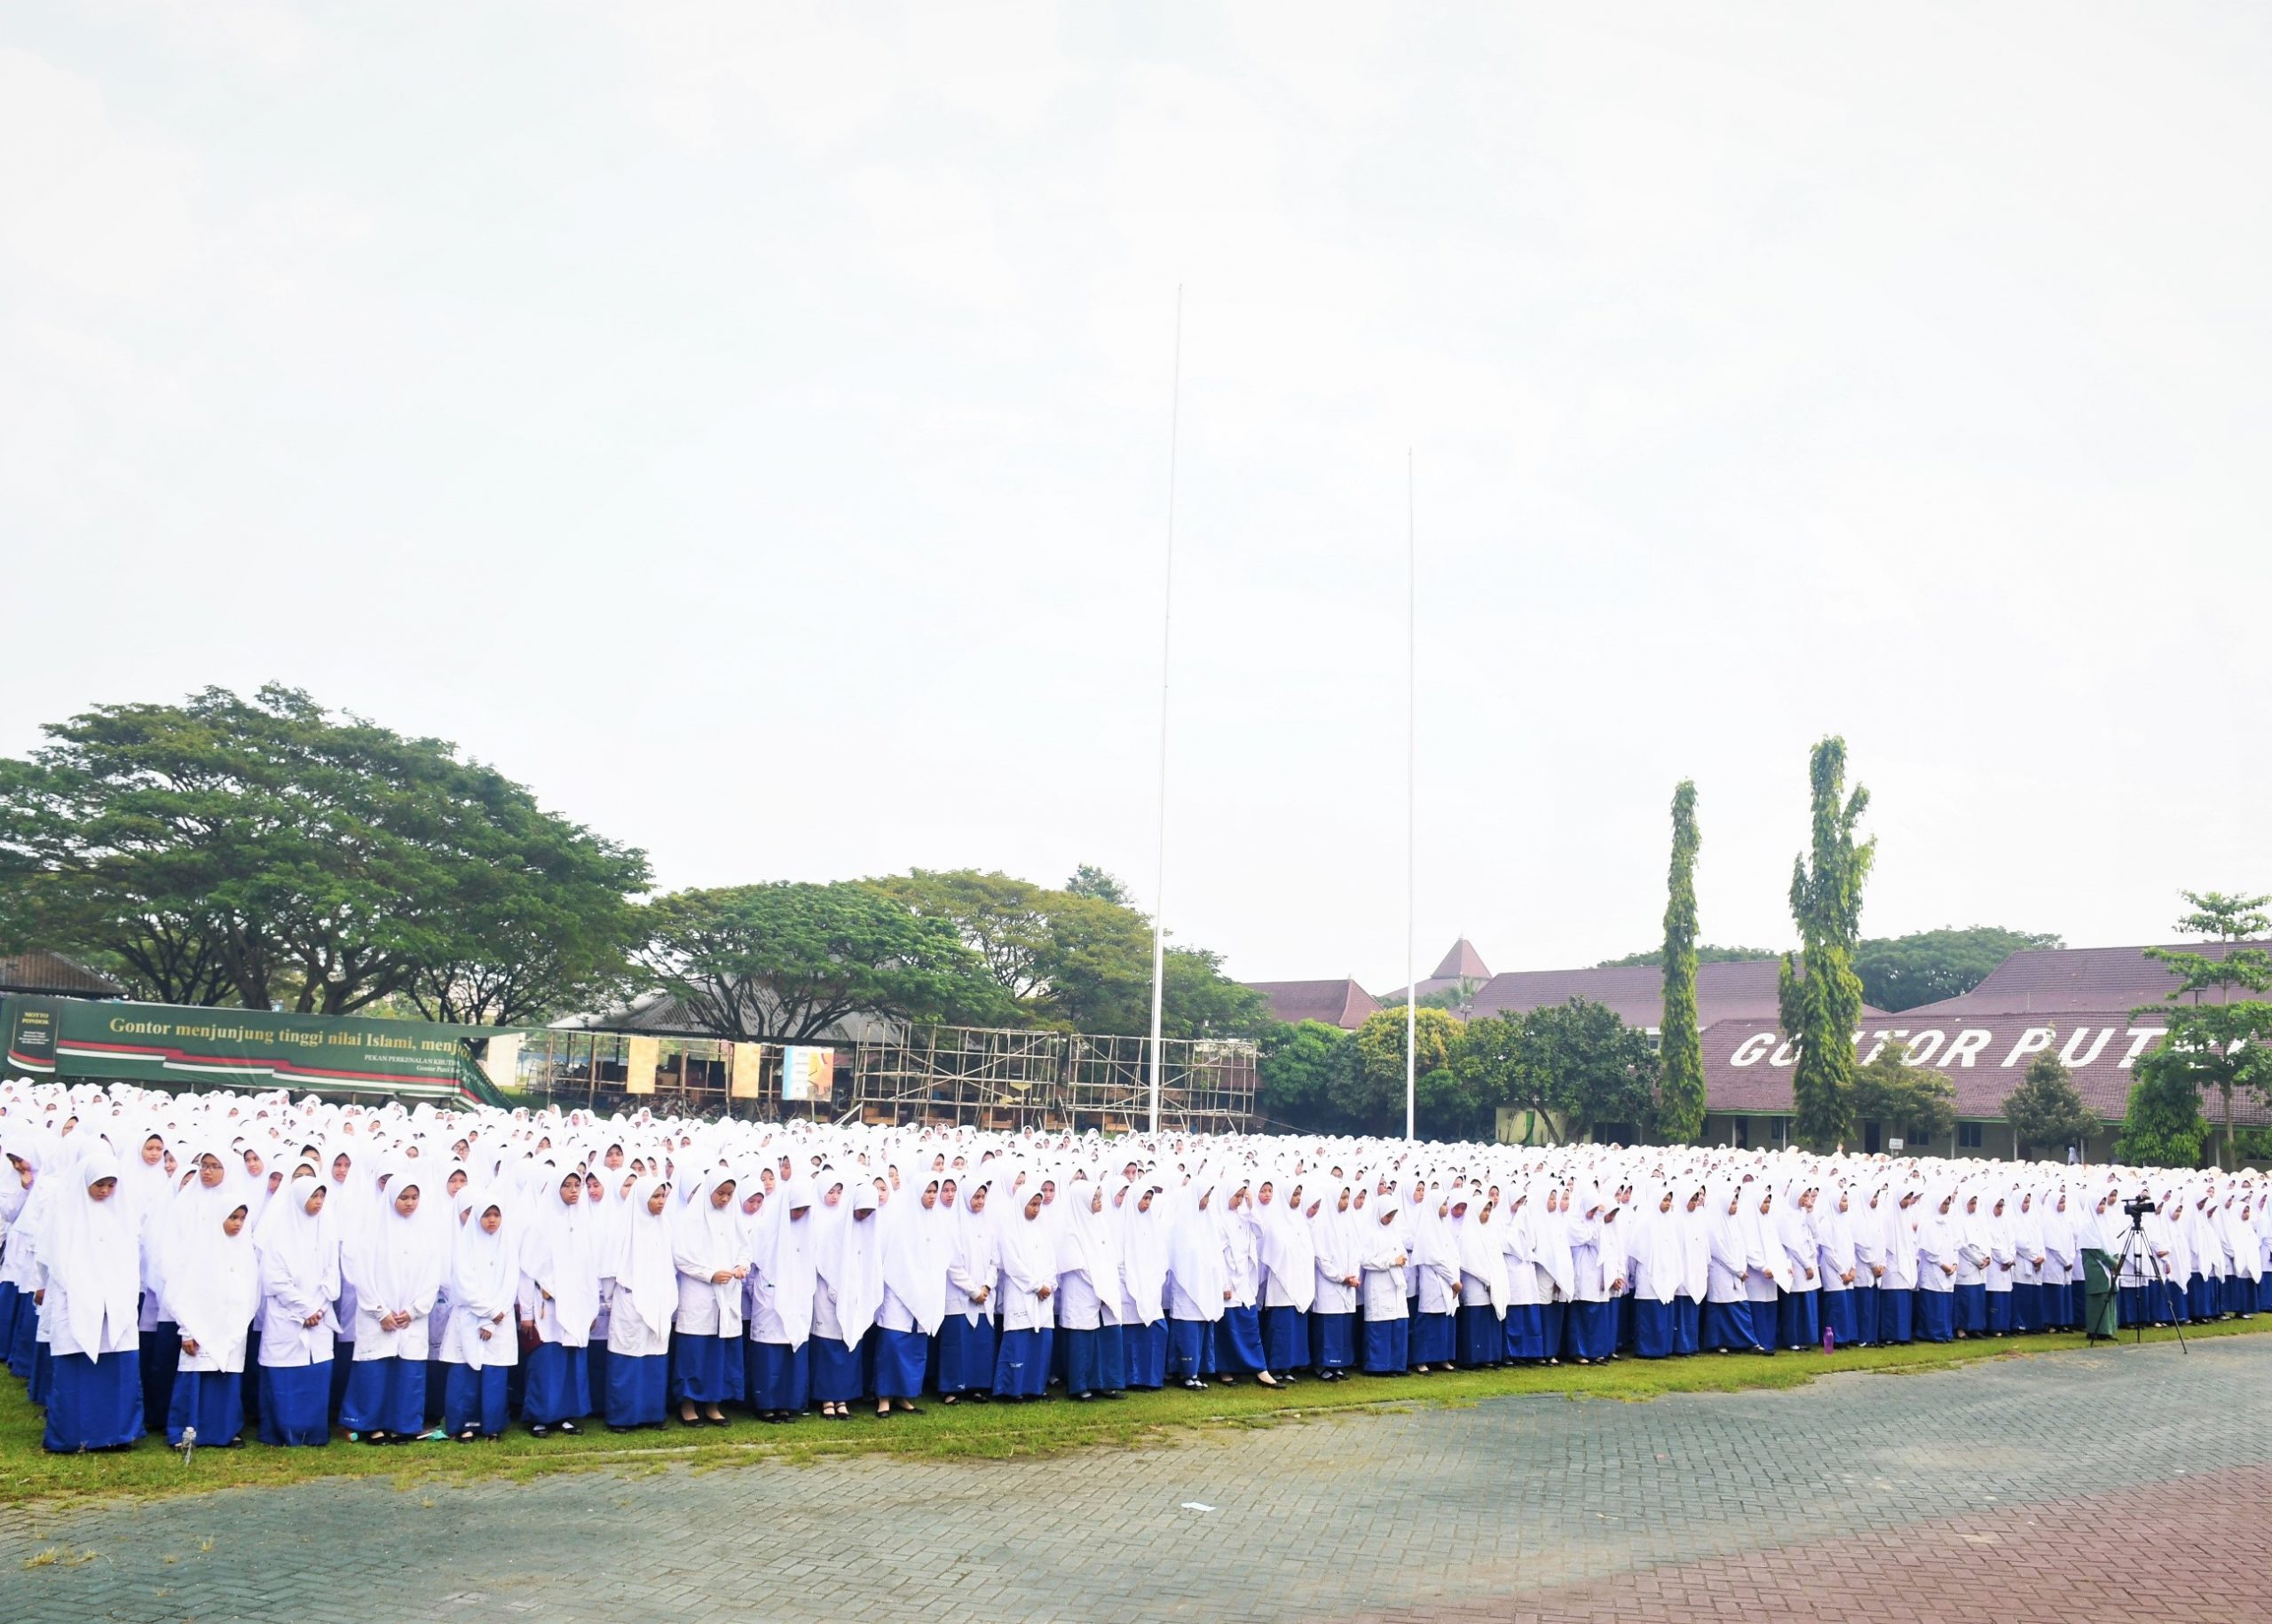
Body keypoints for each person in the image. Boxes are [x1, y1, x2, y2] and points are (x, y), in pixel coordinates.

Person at [37, 1147, 145, 1453]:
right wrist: (82, 1286)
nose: (106, 1191)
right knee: (77, 1371)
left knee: (117, 1369)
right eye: (100, 1185)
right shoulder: (65, 1211)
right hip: (75, 1299)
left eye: (111, 1185)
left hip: (116, 1303)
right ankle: (73, 1435)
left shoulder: (122, 1214)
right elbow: (50, 1257)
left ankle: (118, 1433)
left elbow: (130, 1257)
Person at [340, 1169, 446, 1443]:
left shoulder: (427, 1233)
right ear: (390, 1198)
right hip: (378, 1316)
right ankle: (372, 1425)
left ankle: (404, 1424)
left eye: (414, 1197)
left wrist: (414, 1310)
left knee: (407, 1371)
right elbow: (361, 1274)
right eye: (403, 1198)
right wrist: (380, 1311)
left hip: (411, 1317)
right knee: (376, 1370)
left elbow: (432, 1276)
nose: (410, 1203)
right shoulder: (373, 1232)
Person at [253, 1166, 339, 1446]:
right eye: (313, 1197)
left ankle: (313, 1433)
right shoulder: (279, 1234)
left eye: (321, 1197)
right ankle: (284, 1432)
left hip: (319, 1317)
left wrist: (319, 1308)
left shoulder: (325, 1232)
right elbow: (275, 1280)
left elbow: (331, 1275)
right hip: (287, 1317)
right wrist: (305, 1309)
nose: (317, 1203)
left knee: (315, 1375)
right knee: (286, 1376)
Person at [163, 1199, 259, 1447]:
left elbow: (252, 1288)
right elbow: (180, 1290)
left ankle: (225, 1431)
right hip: (200, 1326)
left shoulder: (244, 1250)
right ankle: (186, 1432)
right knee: (196, 1376)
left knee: (225, 1377)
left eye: (241, 1218)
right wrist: (187, 1330)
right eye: (232, 1217)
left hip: (232, 1324)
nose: (237, 1224)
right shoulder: (200, 1246)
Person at [519, 1168, 599, 1438]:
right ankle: (540, 1417)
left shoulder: (584, 1222)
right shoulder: (539, 1224)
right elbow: (527, 1271)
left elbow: (591, 1267)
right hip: (546, 1309)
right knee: (546, 1362)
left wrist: (593, 1305)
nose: (574, 1190)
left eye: (578, 1185)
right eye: (567, 1185)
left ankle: (566, 1414)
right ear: (555, 1188)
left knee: (570, 1361)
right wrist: (527, 1312)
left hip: (576, 1303)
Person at [670, 1170, 747, 1425]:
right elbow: (681, 1258)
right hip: (699, 1294)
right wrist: (709, 1274)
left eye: (729, 1194)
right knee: (695, 1351)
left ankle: (714, 1404)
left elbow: (745, 1248)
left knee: (719, 1352)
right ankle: (688, 1404)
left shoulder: (733, 1218)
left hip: (727, 1292)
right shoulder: (690, 1220)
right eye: (720, 1194)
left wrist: (741, 1266)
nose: (725, 1199)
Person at [443, 1190, 519, 1442]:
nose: (492, 1220)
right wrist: (487, 1313)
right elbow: (463, 1286)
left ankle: (492, 1426)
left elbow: (510, 1284)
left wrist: (492, 1319)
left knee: (495, 1376)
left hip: (500, 1320)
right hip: (469, 1318)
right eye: (487, 1215)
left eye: (497, 1215)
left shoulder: (507, 1245)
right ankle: (463, 1424)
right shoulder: (465, 1245)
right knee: (465, 1374)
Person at [604, 1178, 675, 1430]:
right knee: (628, 1358)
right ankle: (622, 1416)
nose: (661, 1202)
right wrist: (609, 1298)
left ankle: (652, 1414)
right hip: (630, 1301)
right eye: (655, 1197)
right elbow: (610, 1267)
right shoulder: (624, 1225)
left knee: (654, 1358)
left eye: (663, 1196)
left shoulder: (664, 1226)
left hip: (658, 1300)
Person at [875, 1175, 946, 1416]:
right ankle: (884, 1398)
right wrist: (912, 1282)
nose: (932, 1196)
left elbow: (940, 1257)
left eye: (935, 1192)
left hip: (924, 1294)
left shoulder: (936, 1222)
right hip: (899, 1294)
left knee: (915, 1349)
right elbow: (895, 1260)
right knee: (893, 1345)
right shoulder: (901, 1220)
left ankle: (904, 1395)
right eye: (929, 1191)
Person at [938, 1179, 998, 1404]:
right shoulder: (954, 1226)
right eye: (976, 1197)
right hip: (960, 1296)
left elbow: (996, 1261)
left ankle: (977, 1385)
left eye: (983, 1197)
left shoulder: (989, 1225)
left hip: (984, 1294)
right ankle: (952, 1388)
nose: (980, 1201)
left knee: (981, 1342)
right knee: (957, 1342)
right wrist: (973, 1290)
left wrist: (987, 1286)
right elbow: (953, 1266)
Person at [993, 1187, 1057, 1401]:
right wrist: (1036, 1286)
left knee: (1041, 1341)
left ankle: (1036, 1387)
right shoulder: (1010, 1231)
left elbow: (1051, 1262)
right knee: (1019, 1340)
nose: (1036, 1209)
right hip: (1021, 1293)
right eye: (1032, 1204)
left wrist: (1047, 1283)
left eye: (1038, 1205)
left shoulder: (1043, 1230)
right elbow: (1013, 1265)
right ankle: (1012, 1389)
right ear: (1022, 1204)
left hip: (1043, 1296)